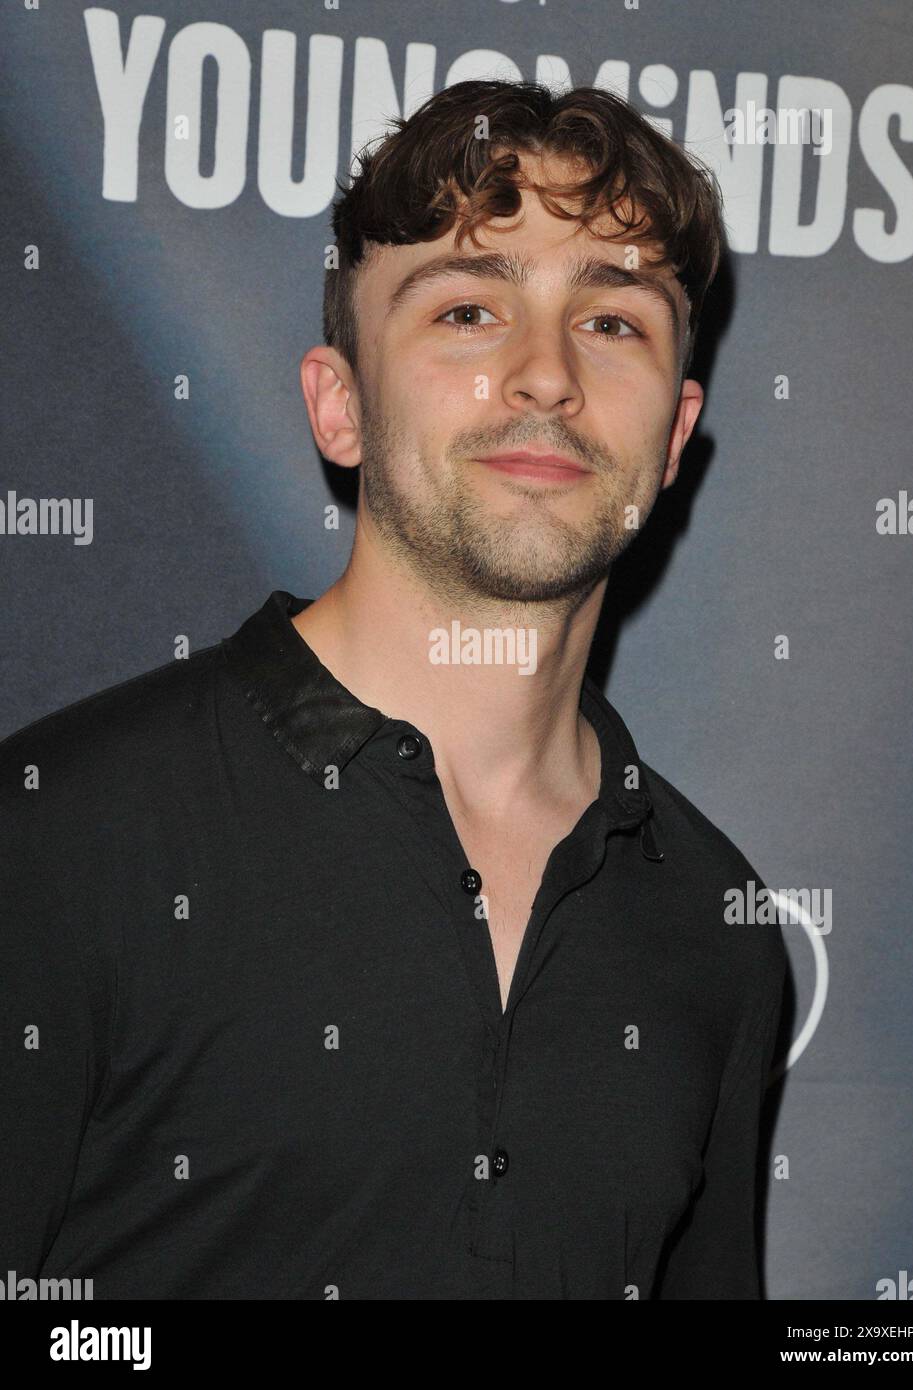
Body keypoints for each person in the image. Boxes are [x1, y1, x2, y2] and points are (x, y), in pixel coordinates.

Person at [0, 79, 787, 1300]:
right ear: (342, 404)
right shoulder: (54, 838)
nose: (544, 376)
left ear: (674, 433)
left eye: (613, 320)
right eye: (469, 309)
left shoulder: (716, 926)